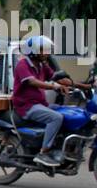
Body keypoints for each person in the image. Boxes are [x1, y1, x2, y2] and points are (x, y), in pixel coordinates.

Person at [11, 35, 67, 167]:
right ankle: (43, 152)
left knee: (66, 112)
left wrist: (81, 85)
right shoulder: (22, 64)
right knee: (56, 118)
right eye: (43, 50)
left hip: (40, 104)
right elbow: (32, 81)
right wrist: (54, 86)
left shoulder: (42, 66)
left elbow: (57, 78)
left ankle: (59, 147)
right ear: (34, 50)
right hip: (26, 107)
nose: (46, 53)